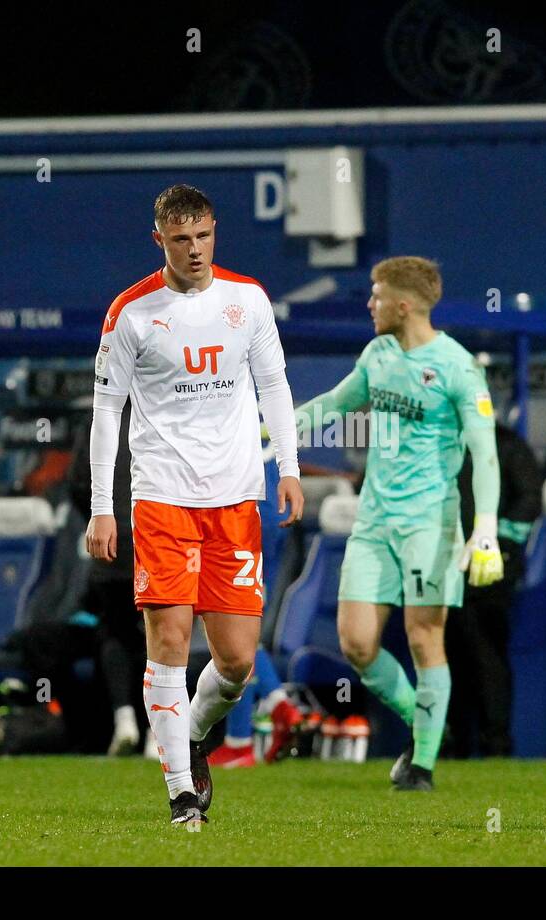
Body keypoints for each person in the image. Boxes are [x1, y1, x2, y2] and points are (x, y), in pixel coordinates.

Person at [85, 184, 304, 826]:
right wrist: (104, 506)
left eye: (204, 235)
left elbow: (275, 386)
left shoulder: (248, 300)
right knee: (170, 638)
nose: (196, 249)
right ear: (161, 241)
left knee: (235, 658)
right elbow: (106, 410)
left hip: (235, 496)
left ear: (215, 231)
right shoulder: (131, 312)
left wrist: (288, 469)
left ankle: (197, 737)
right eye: (181, 240)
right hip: (161, 497)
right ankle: (181, 791)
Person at [295, 255, 504, 791]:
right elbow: (337, 403)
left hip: (429, 526)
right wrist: (273, 429)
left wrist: (484, 530)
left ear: (403, 304)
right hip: (374, 522)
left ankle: (422, 766)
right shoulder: (378, 354)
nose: (369, 303)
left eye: (376, 294)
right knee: (357, 643)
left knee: (423, 637)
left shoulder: (458, 368)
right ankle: (427, 724)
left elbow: (485, 455)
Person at [445, 418, 542, 757]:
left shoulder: (508, 445)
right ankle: (448, 741)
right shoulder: (438, 439)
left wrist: (495, 542)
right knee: (441, 655)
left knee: (487, 655)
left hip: (491, 571)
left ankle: (495, 742)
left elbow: (530, 499)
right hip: (441, 566)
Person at [68, 403, 144, 756]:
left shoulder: (100, 416)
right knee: (160, 635)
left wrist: (100, 518)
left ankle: (124, 718)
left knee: (114, 632)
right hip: (156, 540)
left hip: (110, 545)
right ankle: (158, 733)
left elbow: (77, 484)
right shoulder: (163, 408)